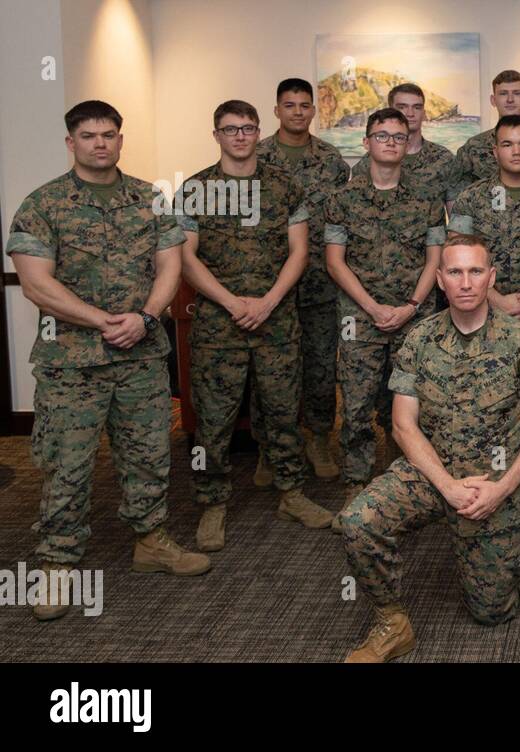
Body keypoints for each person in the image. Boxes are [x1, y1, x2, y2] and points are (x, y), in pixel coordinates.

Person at [6, 100, 211, 620]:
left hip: (140, 355)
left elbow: (170, 265)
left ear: (121, 139)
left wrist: (145, 316)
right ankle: (55, 563)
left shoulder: (150, 199)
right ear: (71, 142)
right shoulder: (43, 204)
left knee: (148, 456)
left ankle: (151, 541)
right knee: (65, 465)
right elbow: (35, 282)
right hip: (72, 365)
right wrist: (104, 321)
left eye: (110, 134)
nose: (101, 143)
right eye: (89, 135)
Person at [339, 236, 520, 662]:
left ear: (491, 277)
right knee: (357, 520)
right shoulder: (419, 340)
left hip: (496, 481)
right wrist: (446, 485)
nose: (465, 282)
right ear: (440, 280)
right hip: (431, 470)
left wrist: (503, 488)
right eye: (455, 272)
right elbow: (403, 426)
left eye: (476, 271)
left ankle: (514, 542)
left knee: (491, 613)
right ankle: (392, 622)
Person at [180, 100, 335, 552]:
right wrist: (231, 302)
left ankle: (291, 492)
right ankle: (211, 502)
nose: (241, 137)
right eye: (231, 130)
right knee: (213, 421)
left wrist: (267, 302)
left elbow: (299, 252)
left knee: (285, 412)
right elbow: (186, 258)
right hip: (217, 325)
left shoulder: (284, 187)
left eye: (248, 128)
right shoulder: (195, 189)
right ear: (216, 136)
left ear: (258, 131)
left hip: (276, 321)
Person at [324, 108, 445, 518]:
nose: (390, 142)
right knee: (357, 406)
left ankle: (408, 479)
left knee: (412, 402)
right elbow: (335, 263)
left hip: (415, 316)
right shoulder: (342, 200)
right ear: (366, 143)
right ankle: (356, 483)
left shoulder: (426, 200)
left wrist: (410, 306)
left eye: (398, 135)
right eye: (382, 135)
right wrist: (374, 307)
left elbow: (435, 260)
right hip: (360, 318)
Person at [253, 78, 350, 484]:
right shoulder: (255, 156)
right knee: (268, 370)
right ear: (276, 110)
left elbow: (343, 221)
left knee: (320, 368)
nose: (297, 111)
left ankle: (318, 439)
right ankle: (269, 449)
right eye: (289, 105)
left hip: (318, 283)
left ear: (313, 111)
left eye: (304, 105)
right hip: (267, 284)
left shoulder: (332, 161)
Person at [447, 115, 520, 324]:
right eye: (507, 144)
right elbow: (455, 258)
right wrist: (497, 300)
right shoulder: (471, 198)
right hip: (484, 316)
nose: (516, 151)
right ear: (495, 152)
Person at [351, 83, 456, 204]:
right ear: (391, 110)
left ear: (424, 112)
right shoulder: (367, 164)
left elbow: (455, 215)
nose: (410, 113)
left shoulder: (444, 159)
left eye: (417, 107)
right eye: (402, 107)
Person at [449, 70, 520, 199]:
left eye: (517, 93)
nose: (510, 99)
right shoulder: (473, 147)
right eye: (503, 94)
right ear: (493, 100)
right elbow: (455, 194)